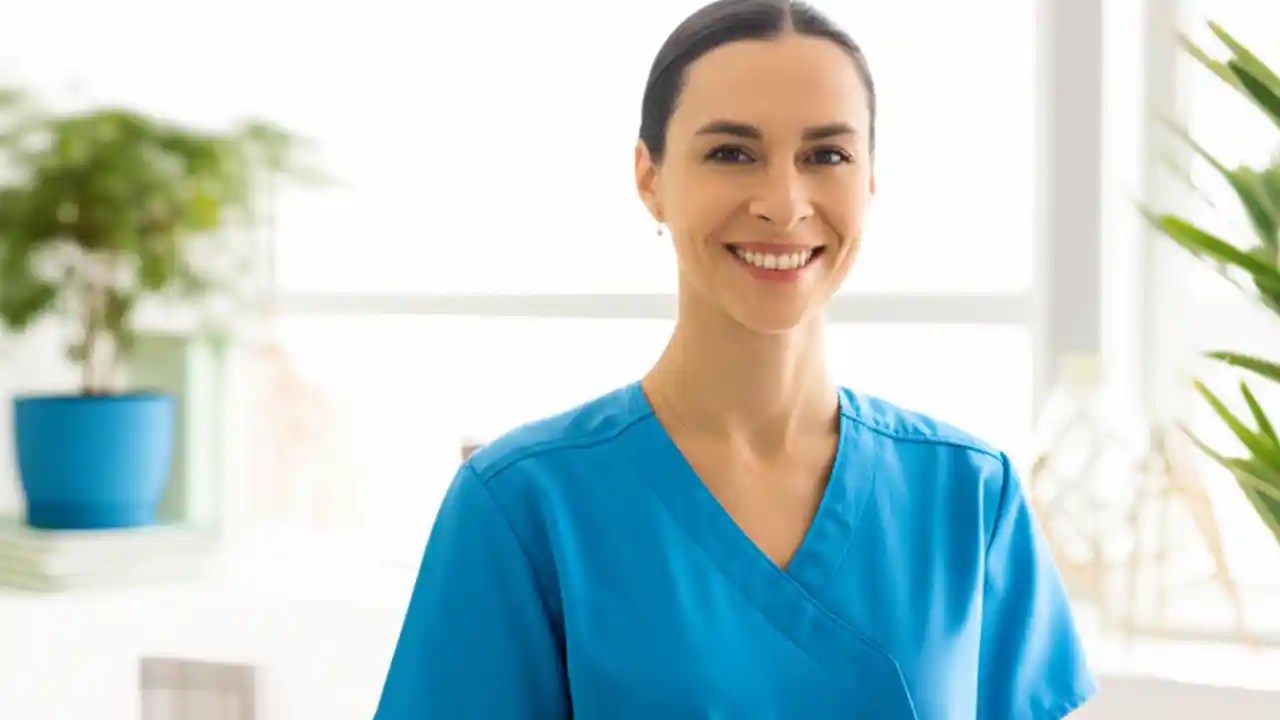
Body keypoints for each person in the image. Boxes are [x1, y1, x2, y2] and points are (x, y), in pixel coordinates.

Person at [375, 0, 1097, 717]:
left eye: (827, 155)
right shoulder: (523, 506)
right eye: (731, 152)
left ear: (870, 181)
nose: (784, 204)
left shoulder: (968, 495)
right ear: (649, 178)